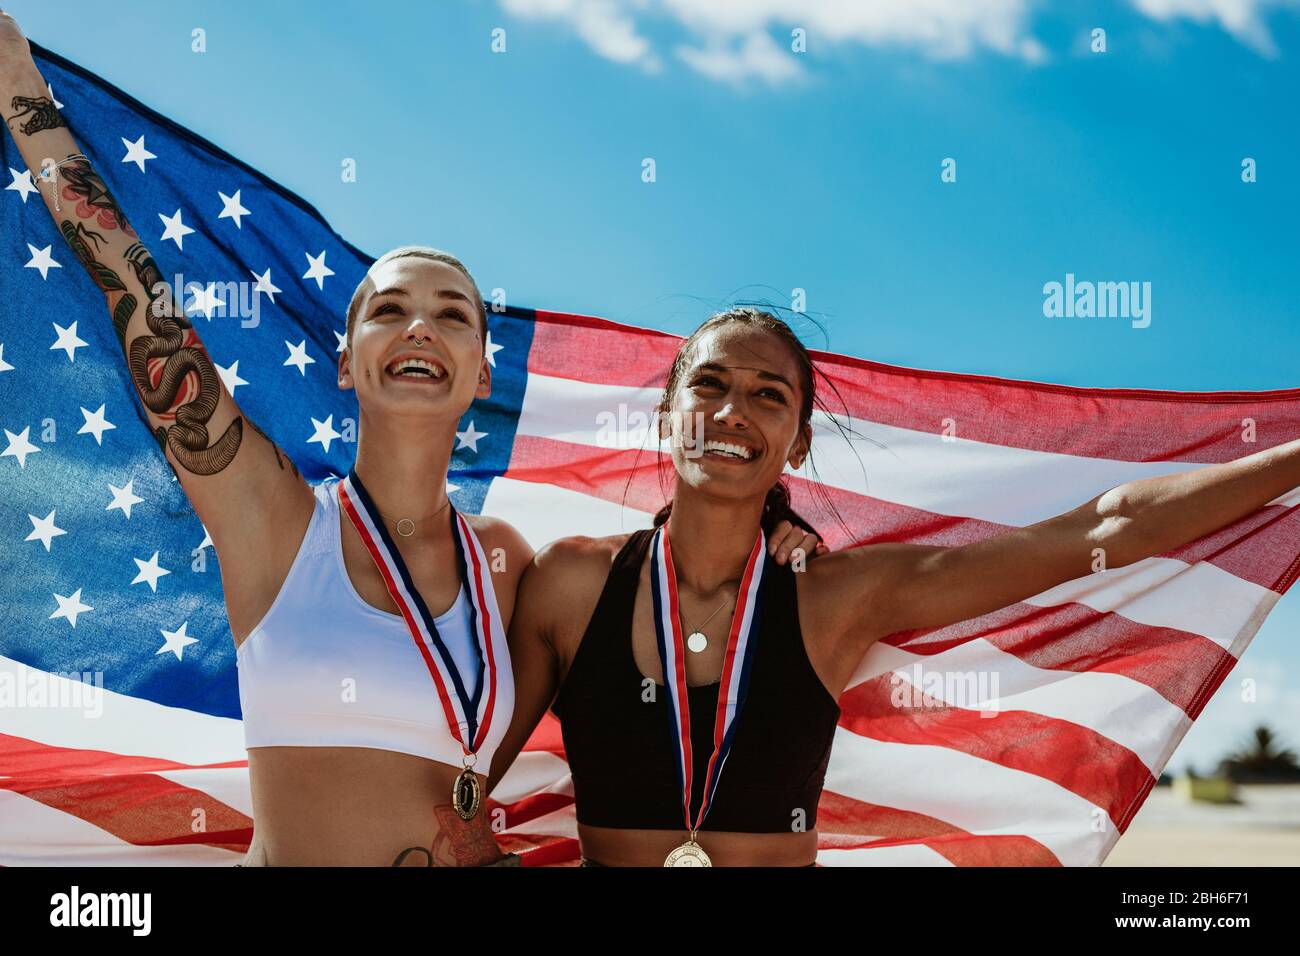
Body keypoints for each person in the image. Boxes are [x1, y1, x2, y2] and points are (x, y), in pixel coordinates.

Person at [0, 9, 823, 866]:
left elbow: (662, 583)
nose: (420, 327)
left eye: (452, 316)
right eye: (389, 311)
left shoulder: (505, 562)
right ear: (348, 363)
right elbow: (144, 314)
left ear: (479, 373)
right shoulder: (277, 523)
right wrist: (21, 92)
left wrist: (771, 531)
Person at [491, 305, 1300, 866]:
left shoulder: (836, 595)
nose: (734, 410)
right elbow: (471, 761)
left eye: (769, 395)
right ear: (668, 416)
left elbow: (1104, 530)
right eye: (710, 385)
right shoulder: (570, 582)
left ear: (798, 445)